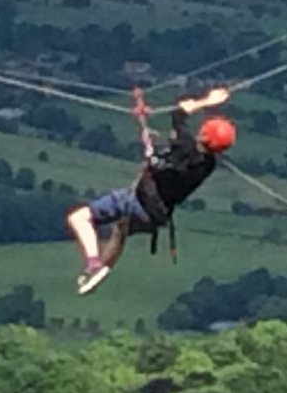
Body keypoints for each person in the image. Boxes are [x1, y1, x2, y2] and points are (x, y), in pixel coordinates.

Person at [66, 87, 234, 295]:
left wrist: (207, 101)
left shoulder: (186, 146)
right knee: (120, 230)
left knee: (79, 218)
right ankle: (99, 272)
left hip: (139, 200)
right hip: (156, 215)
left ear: (203, 134)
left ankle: (94, 264)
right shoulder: (208, 165)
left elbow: (180, 113)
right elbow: (180, 152)